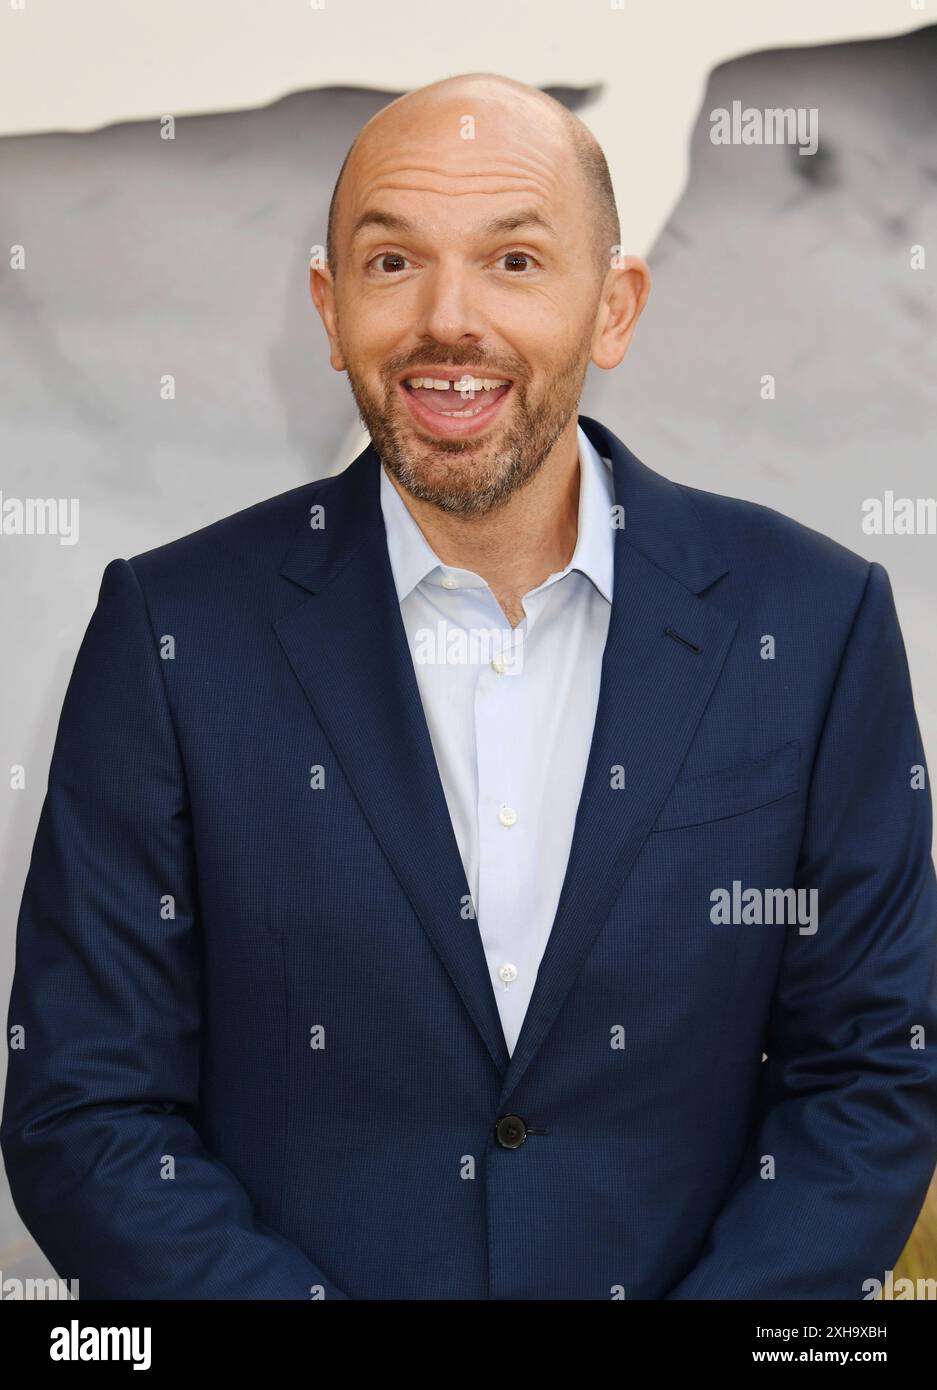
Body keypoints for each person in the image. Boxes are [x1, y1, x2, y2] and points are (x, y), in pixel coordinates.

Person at [3, 72, 937, 1300]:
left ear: (613, 308)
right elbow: (88, 1106)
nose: (450, 320)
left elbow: (870, 1072)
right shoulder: (171, 631)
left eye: (513, 260)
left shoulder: (813, 623)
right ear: (330, 313)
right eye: (393, 264)